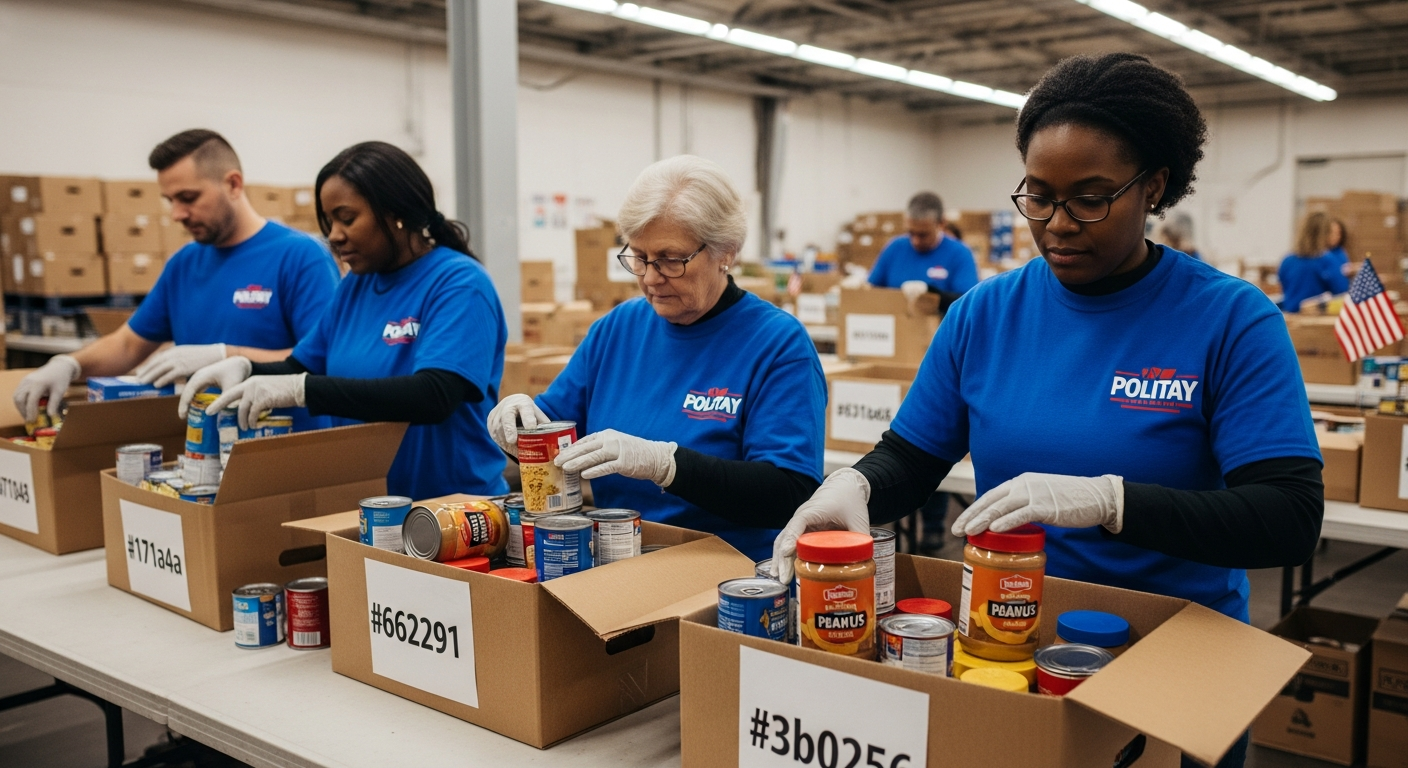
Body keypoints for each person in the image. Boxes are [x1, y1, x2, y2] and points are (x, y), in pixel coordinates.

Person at [772, 54, 1321, 768]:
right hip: (1013, 649)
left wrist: (1109, 501)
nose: (1058, 224)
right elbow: (913, 455)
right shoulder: (984, 315)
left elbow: (1288, 518)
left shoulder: (1230, 320)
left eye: (1091, 198)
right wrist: (855, 487)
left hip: (1176, 655)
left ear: (1154, 186)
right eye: (1039, 196)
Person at [486, 155, 826, 560]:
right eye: (640, 257)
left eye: (671, 260)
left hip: (724, 578)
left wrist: (668, 465)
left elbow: (788, 493)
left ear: (726, 251)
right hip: (617, 562)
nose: (649, 277)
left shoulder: (777, 344)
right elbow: (553, 441)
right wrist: (519, 428)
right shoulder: (618, 329)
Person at [179, 142, 508, 499]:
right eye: (329, 220)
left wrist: (304, 390)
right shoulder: (356, 284)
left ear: (396, 212)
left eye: (347, 218)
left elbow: (434, 394)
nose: (334, 235)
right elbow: (300, 365)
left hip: (455, 510)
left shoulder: (459, 283)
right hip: (373, 506)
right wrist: (245, 369)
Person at [11, 130, 340, 430]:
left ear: (233, 184)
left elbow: (322, 361)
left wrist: (226, 355)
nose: (176, 214)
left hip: (289, 448)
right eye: (170, 201)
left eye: (188, 197)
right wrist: (69, 364)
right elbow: (128, 344)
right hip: (205, 452)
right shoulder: (185, 263)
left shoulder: (301, 257)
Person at [867, 191, 979, 311]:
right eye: (911, 233)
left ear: (941, 223)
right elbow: (872, 289)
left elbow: (969, 303)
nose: (915, 241)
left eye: (923, 235)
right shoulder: (894, 248)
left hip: (938, 327)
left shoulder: (960, 254)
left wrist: (931, 293)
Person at [1279, 211, 1348, 312]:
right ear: (1324, 233)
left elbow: (1285, 288)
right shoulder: (1327, 260)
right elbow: (1341, 291)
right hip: (1314, 320)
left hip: (1290, 318)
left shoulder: (1287, 261)